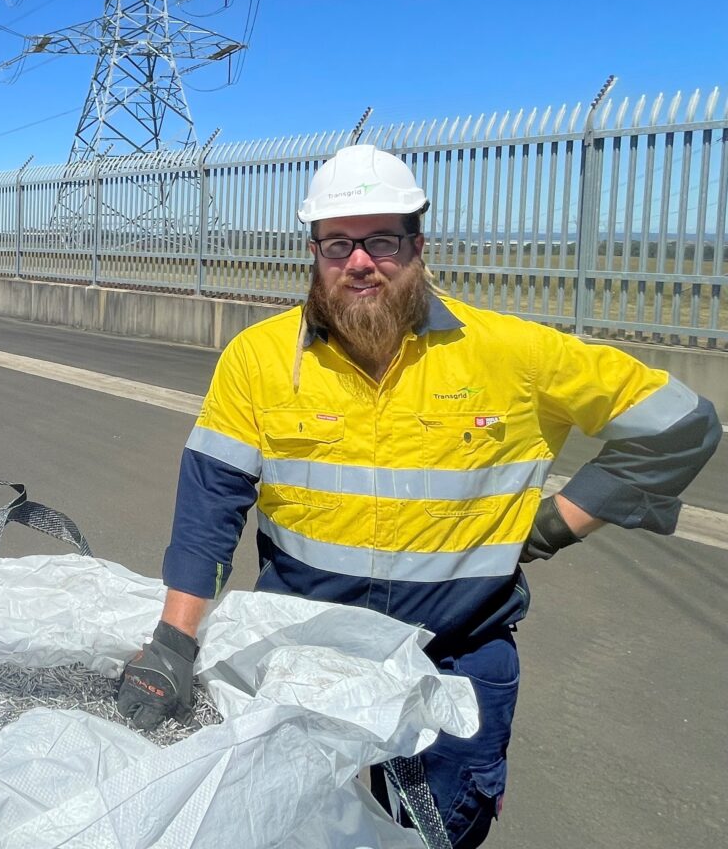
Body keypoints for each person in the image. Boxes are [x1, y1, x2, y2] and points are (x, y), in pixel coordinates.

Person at [115, 143, 720, 847]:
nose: (360, 261)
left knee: (432, 837)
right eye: (338, 243)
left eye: (382, 240)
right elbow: (209, 507)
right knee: (304, 831)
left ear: (417, 246)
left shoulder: (512, 353)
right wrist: (172, 641)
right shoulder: (259, 359)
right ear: (313, 251)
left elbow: (681, 425)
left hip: (456, 664)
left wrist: (554, 525)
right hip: (306, 665)